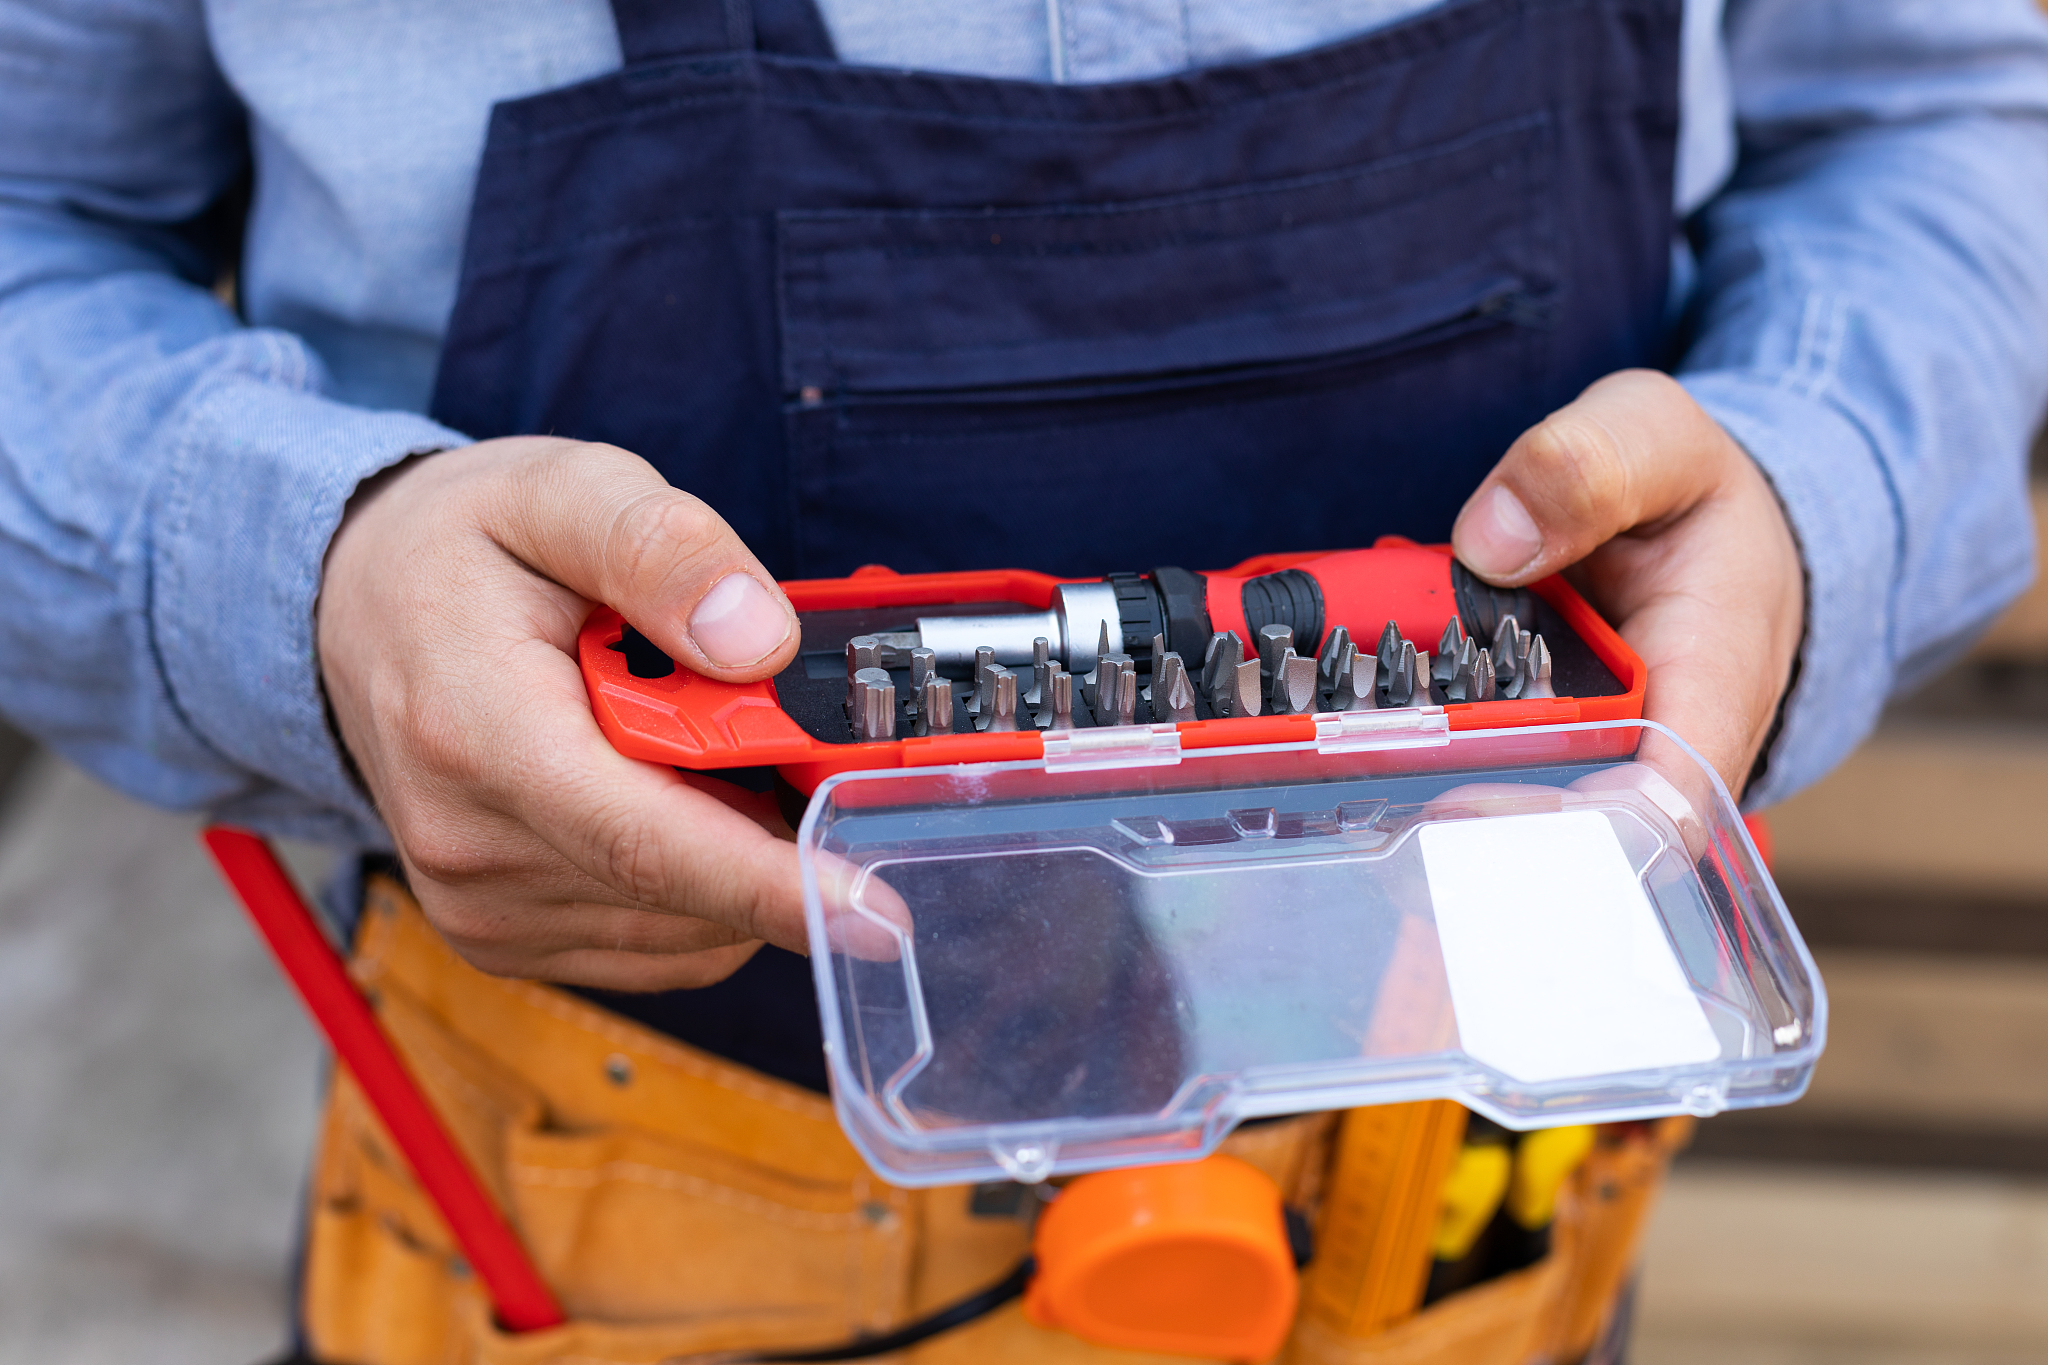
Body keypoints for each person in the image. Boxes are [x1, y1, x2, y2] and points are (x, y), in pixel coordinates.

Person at [3, 0, 2047, 1360]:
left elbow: (1949, 109)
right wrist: (306, 587)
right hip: (617, 1193)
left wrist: (1818, 483)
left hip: (1464, 1174)